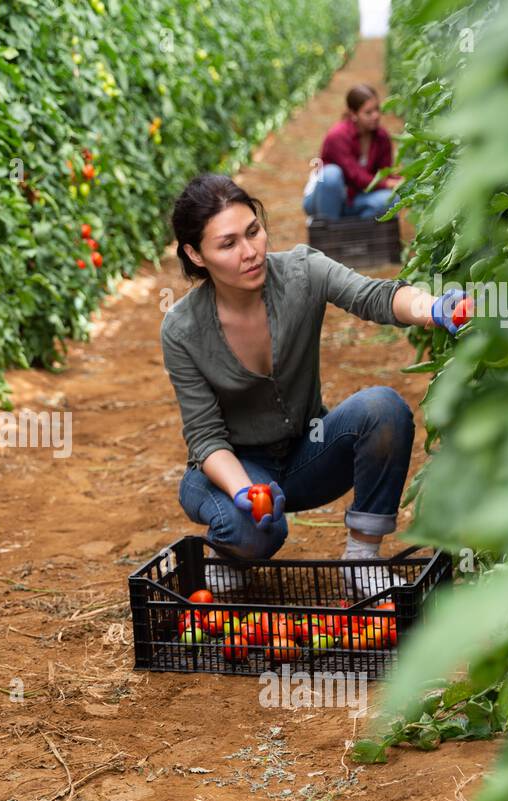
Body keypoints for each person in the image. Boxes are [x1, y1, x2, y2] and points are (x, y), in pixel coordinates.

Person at [162, 174, 471, 598]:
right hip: (230, 471)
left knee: (383, 409)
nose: (250, 252)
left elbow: (375, 296)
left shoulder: (302, 273)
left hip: (306, 453)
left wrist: (432, 307)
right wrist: (244, 491)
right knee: (255, 532)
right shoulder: (182, 330)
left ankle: (362, 558)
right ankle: (231, 549)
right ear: (196, 254)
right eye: (228, 244)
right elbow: (205, 436)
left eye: (253, 231)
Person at [302, 83, 404, 221]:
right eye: (368, 113)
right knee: (331, 174)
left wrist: (401, 181)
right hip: (326, 197)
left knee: (392, 200)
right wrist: (388, 183)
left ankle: (348, 229)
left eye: (377, 109)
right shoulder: (337, 136)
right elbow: (356, 175)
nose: (376, 116)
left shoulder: (382, 137)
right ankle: (329, 231)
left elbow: (384, 172)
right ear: (353, 114)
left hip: (356, 198)